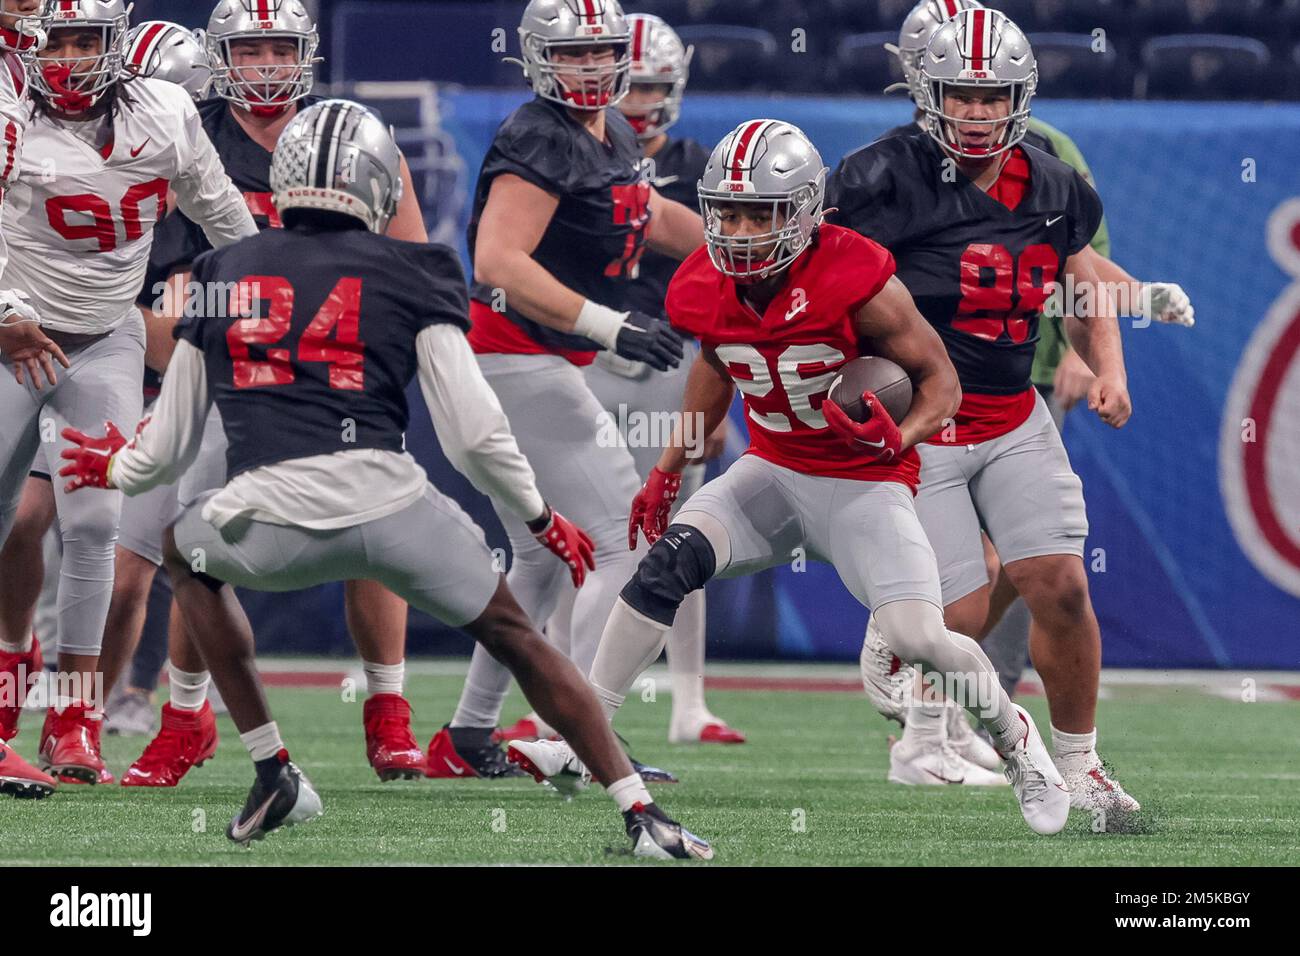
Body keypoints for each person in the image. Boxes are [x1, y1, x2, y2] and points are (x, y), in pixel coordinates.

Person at [60, 100, 712, 859]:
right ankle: (639, 812)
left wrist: (112, 464)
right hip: (397, 509)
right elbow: (473, 431)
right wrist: (537, 518)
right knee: (514, 637)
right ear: (378, 185)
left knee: (182, 551)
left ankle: (272, 765)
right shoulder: (419, 269)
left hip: (265, 520)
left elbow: (168, 446)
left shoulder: (223, 268)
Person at [509, 118, 1073, 837]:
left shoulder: (857, 274)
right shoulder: (703, 281)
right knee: (664, 566)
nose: (741, 231)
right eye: (730, 212)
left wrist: (896, 437)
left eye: (762, 213)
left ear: (806, 210)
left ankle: (1020, 746)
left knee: (920, 636)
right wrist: (667, 467)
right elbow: (718, 364)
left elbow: (943, 385)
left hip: (864, 484)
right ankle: (583, 740)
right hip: (772, 471)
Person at [107, 0, 432, 787]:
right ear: (221, 57)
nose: (264, 66)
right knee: (196, 544)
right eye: (248, 51)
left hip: (335, 365)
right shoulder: (190, 135)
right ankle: (185, 717)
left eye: (278, 48)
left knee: (375, 532)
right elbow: (166, 297)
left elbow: (411, 263)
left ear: (307, 52)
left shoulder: (351, 132)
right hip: (226, 368)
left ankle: (389, 714)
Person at [870, 3, 1195, 784]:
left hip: (1020, 382)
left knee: (1040, 570)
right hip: (920, 397)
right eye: (957, 89)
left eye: (991, 94)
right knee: (955, 573)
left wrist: (1119, 331)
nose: (975, 109)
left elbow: (1079, 275)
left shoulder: (1050, 167)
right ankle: (918, 683)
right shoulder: (883, 172)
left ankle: (983, 716)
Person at [428, 0, 703, 780]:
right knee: (629, 542)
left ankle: (468, 734)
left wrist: (733, 237)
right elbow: (499, 261)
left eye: (601, 53)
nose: (591, 68)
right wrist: (611, 327)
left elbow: (645, 216)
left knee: (544, 555)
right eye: (574, 55)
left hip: (530, 363)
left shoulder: (608, 128)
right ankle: (586, 738)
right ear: (538, 58)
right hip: (511, 358)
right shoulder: (536, 135)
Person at [0, 0, 256, 785]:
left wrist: (268, 295)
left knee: (95, 523)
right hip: (11, 339)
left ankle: (75, 716)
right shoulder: (7, 105)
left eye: (86, 41)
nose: (69, 57)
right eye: (56, 41)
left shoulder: (167, 112)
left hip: (106, 336)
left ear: (119, 45)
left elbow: (223, 214)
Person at [498, 11, 742, 748]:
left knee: (674, 531)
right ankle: (556, 706)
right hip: (586, 355)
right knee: (594, 536)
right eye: (625, 82)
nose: (635, 97)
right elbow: (505, 257)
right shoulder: (561, 143)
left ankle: (683, 702)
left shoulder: (683, 160)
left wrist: (720, 378)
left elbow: (721, 270)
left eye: (649, 84)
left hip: (672, 362)